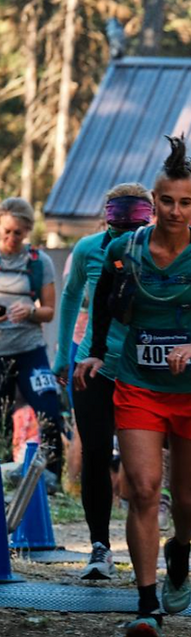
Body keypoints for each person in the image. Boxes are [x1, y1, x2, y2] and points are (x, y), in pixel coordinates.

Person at [77, 136, 191, 637]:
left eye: (186, 202)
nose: (177, 211)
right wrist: (96, 351)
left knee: (185, 500)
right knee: (141, 489)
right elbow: (100, 304)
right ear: (153, 202)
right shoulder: (125, 249)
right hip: (137, 384)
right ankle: (146, 605)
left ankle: (179, 548)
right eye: (167, 201)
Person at [53, 184, 154, 580]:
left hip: (141, 370)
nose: (123, 236)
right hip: (92, 366)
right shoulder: (87, 249)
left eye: (134, 226)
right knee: (95, 453)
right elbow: (70, 297)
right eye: (117, 226)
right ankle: (99, 546)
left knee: (138, 465)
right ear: (106, 218)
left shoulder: (159, 250)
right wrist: (63, 353)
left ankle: (147, 544)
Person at [0, 197, 62, 483]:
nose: (11, 238)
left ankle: (50, 473)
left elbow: (49, 311)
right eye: (6, 231)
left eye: (18, 233)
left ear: (27, 232)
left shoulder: (38, 262)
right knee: (2, 419)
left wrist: (30, 311)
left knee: (48, 407)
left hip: (29, 349)